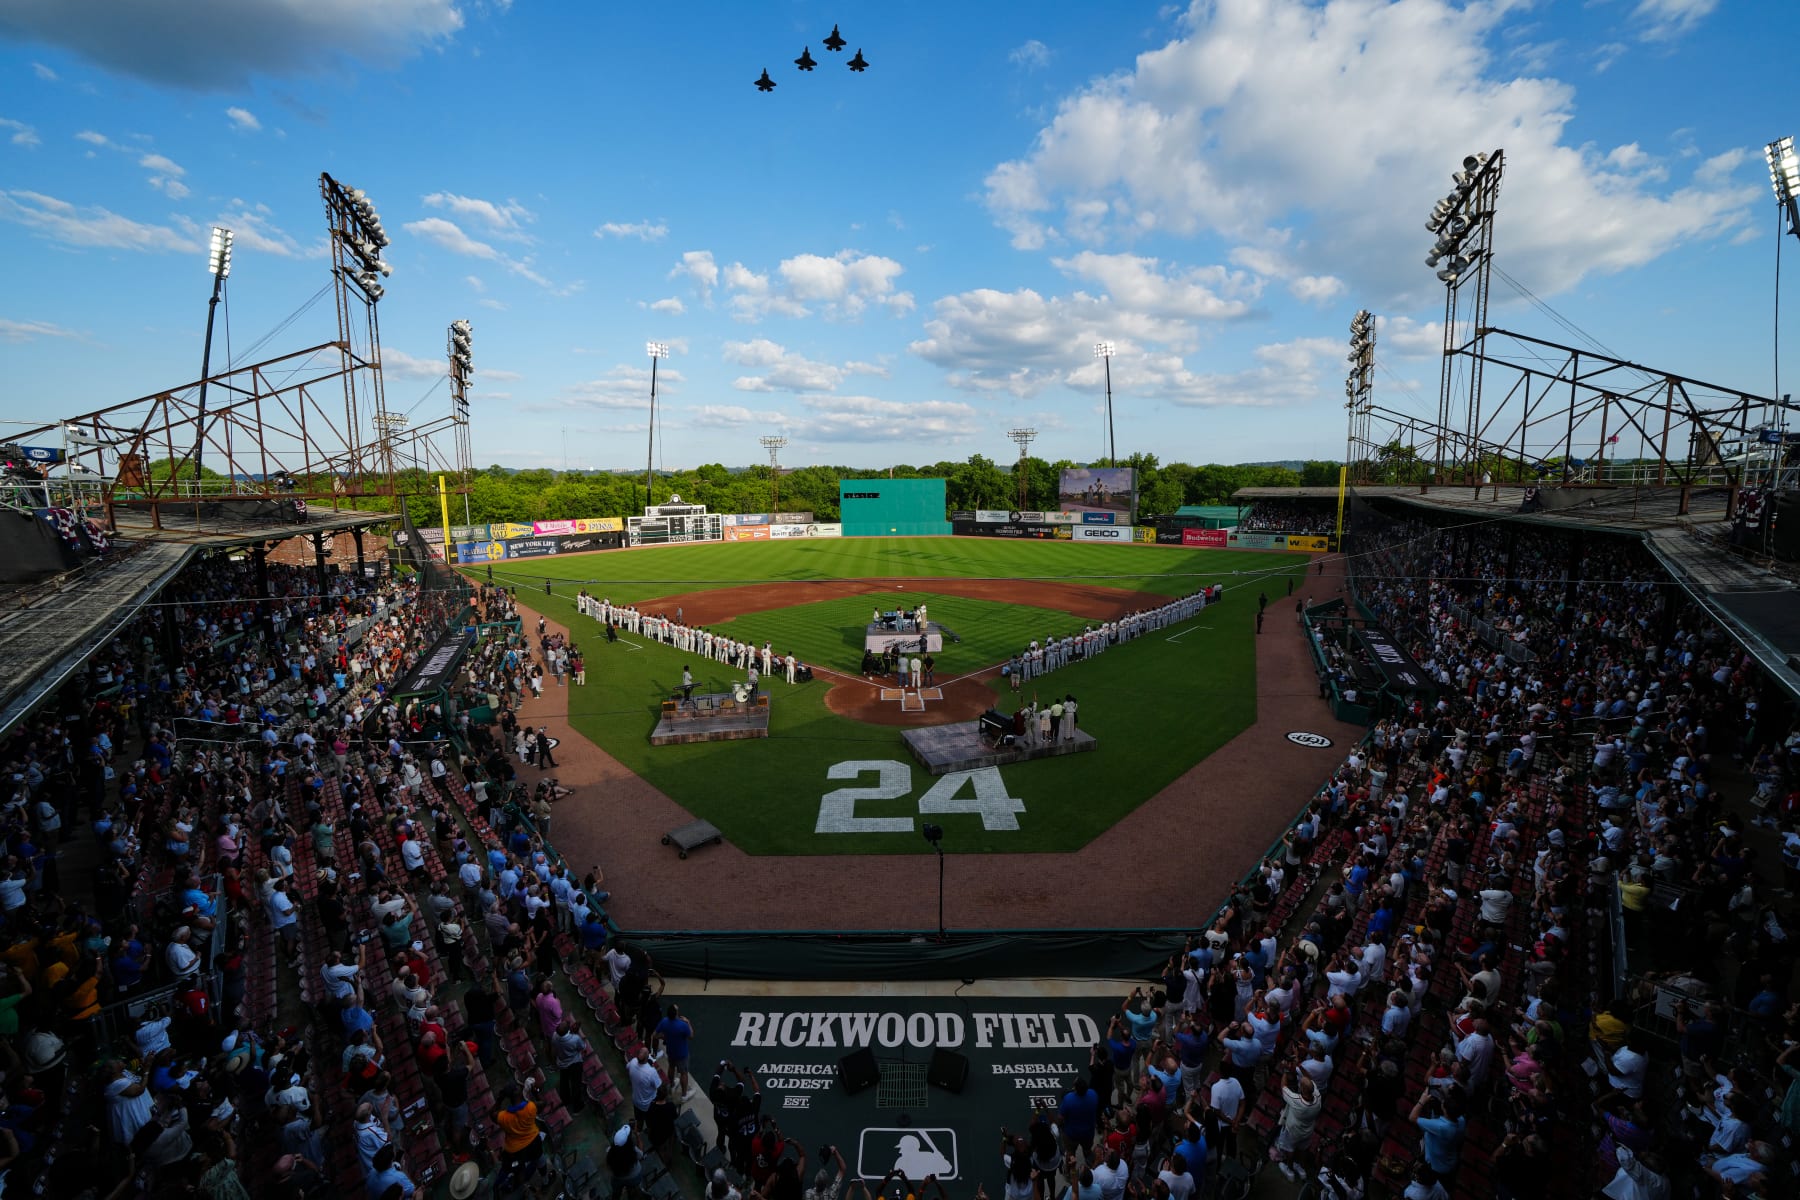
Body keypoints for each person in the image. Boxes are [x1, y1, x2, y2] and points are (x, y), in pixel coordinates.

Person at [655, 1003, 697, 1099]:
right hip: (682, 1054)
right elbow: (691, 1036)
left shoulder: (664, 1021)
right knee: (684, 1073)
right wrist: (688, 1022)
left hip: (670, 1051)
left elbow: (655, 1035)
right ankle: (684, 1095)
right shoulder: (683, 1025)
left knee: (671, 1067)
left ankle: (672, 1084)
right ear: (676, 1014)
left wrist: (665, 1037)